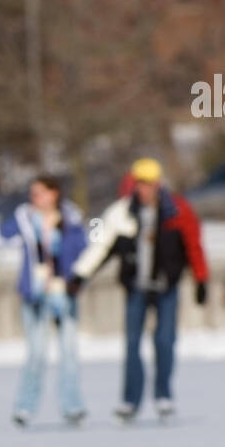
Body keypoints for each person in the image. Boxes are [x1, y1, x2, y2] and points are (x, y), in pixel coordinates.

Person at [69, 158, 208, 421]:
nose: (144, 189)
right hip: (136, 288)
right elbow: (101, 247)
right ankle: (130, 400)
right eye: (140, 184)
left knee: (164, 341)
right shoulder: (121, 213)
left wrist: (201, 279)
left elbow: (193, 245)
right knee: (132, 345)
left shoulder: (177, 211)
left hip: (167, 287)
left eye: (149, 184)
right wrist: (80, 275)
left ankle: (163, 394)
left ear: (158, 184)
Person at [1, 174, 88, 426]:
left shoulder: (71, 218)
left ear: (54, 193)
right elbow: (0, 236)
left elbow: (83, 249)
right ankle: (24, 407)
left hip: (63, 293)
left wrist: (73, 279)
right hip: (35, 295)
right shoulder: (25, 218)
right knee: (36, 354)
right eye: (32, 193)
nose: (34, 198)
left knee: (69, 353)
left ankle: (73, 406)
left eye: (39, 192)